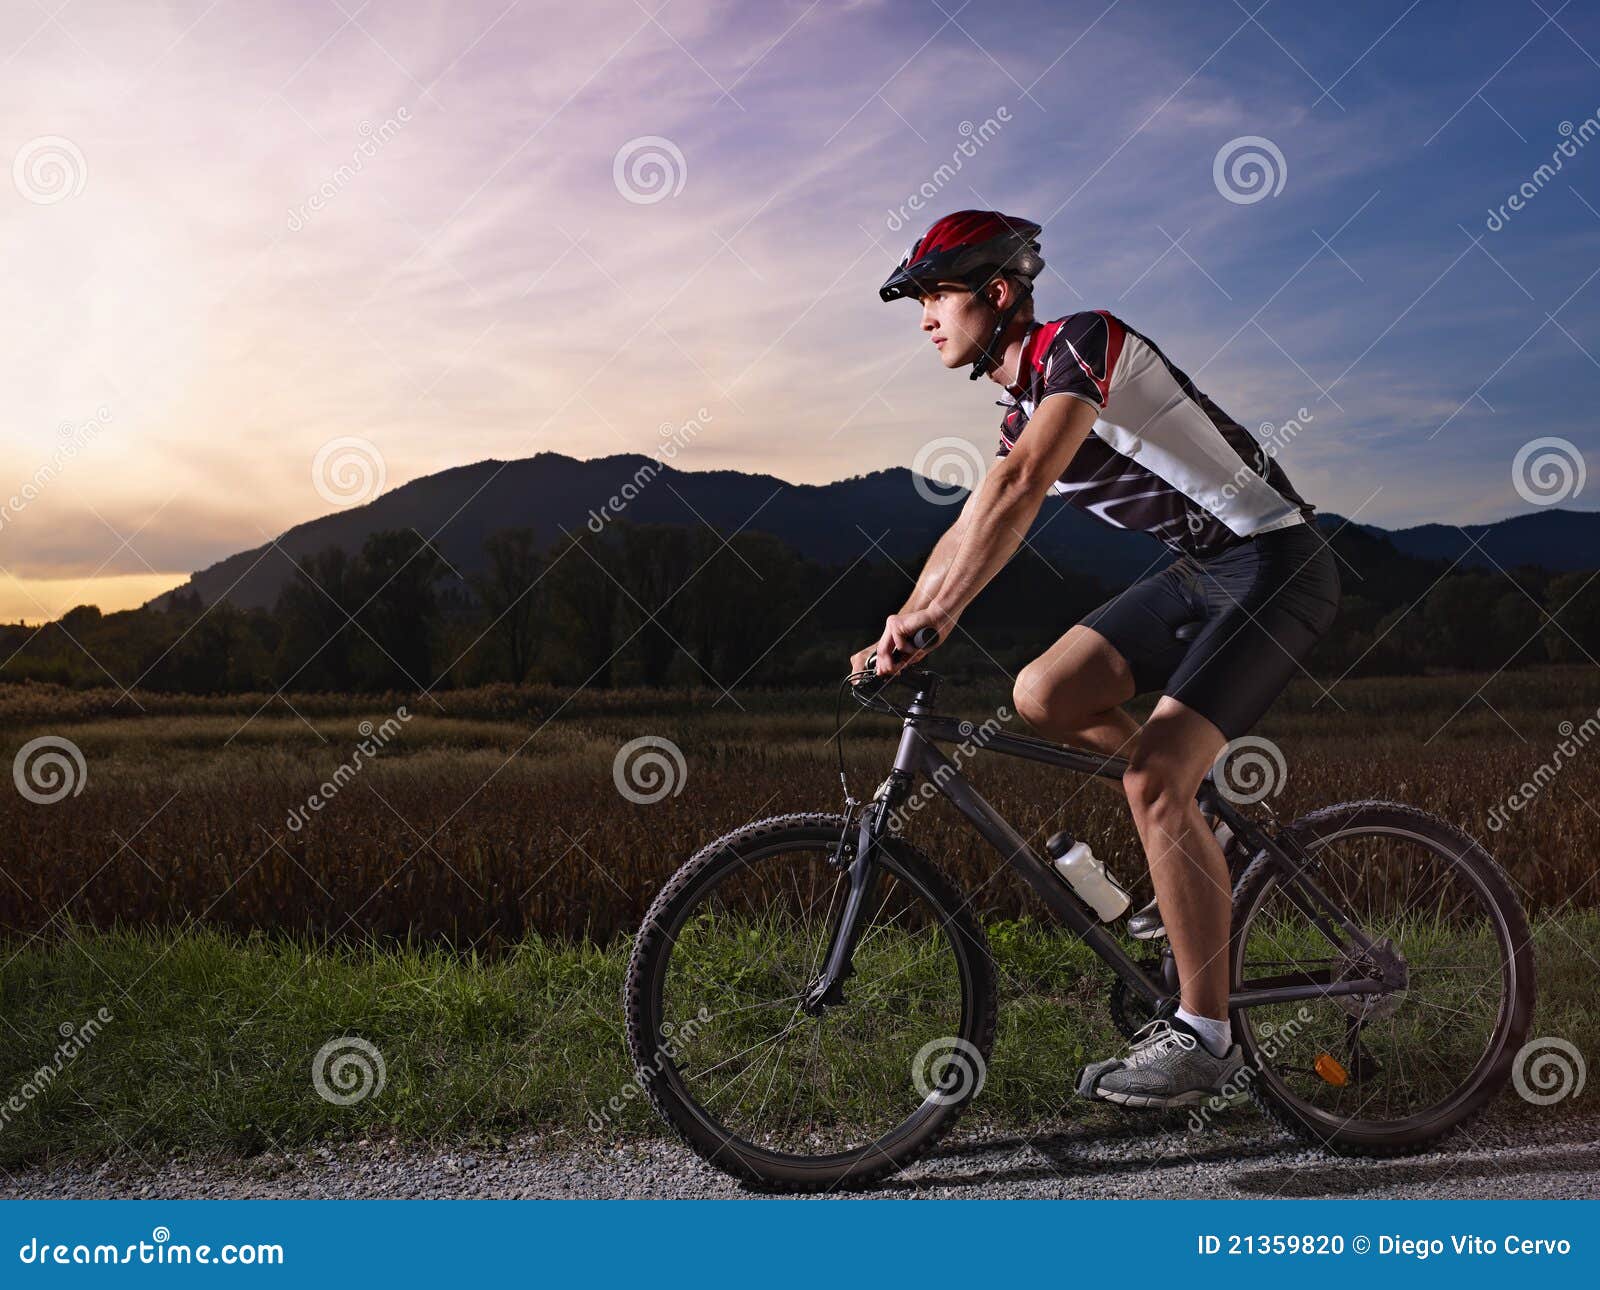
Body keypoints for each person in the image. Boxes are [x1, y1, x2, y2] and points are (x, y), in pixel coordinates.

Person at [853, 209, 1341, 1108]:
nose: (923, 317)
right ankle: (1201, 827)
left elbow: (1020, 487)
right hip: (1203, 570)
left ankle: (1206, 1039)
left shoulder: (1084, 345)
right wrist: (906, 621)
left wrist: (941, 619)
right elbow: (971, 525)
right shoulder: (1018, 413)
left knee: (1152, 779)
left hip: (1276, 561)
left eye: (935, 295)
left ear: (997, 294)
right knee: (1042, 692)